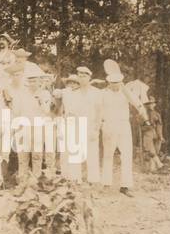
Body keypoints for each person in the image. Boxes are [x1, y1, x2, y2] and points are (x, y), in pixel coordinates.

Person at [98, 64, 146, 196]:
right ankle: (106, 184)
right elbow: (98, 110)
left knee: (127, 155)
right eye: (112, 83)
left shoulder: (126, 93)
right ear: (108, 82)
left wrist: (142, 112)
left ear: (121, 82)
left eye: (117, 83)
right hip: (108, 126)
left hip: (124, 126)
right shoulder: (102, 94)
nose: (115, 85)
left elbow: (138, 104)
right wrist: (100, 124)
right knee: (108, 155)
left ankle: (125, 186)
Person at [54, 70, 100, 182]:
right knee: (74, 152)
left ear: (89, 77)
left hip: (90, 124)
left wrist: (96, 128)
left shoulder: (96, 92)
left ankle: (93, 180)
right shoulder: (70, 92)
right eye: (80, 76)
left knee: (92, 153)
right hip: (75, 124)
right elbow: (57, 95)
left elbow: (99, 111)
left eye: (84, 76)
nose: (82, 78)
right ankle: (75, 179)